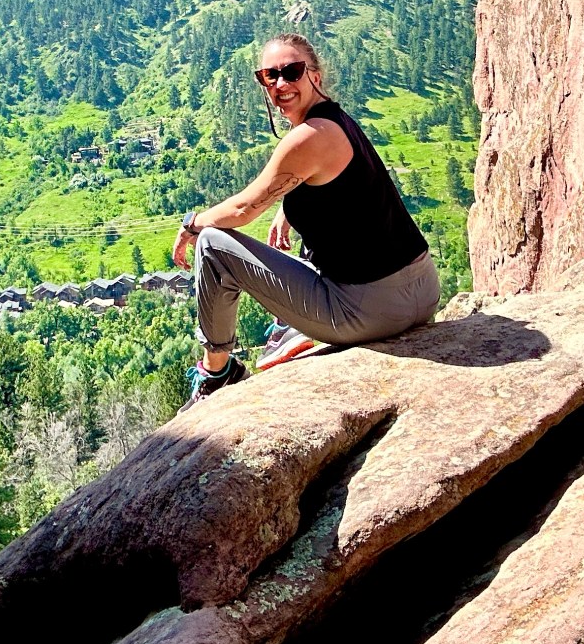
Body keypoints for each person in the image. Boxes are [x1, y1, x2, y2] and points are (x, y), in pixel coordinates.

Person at [170, 33, 439, 404]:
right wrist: (287, 211)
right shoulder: (337, 120)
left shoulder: (307, 137)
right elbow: (342, 185)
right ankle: (291, 327)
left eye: (291, 71)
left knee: (214, 244)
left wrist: (191, 223)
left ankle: (217, 372)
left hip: (371, 312)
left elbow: (241, 211)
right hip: (422, 292)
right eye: (269, 76)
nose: (281, 83)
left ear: (314, 74)